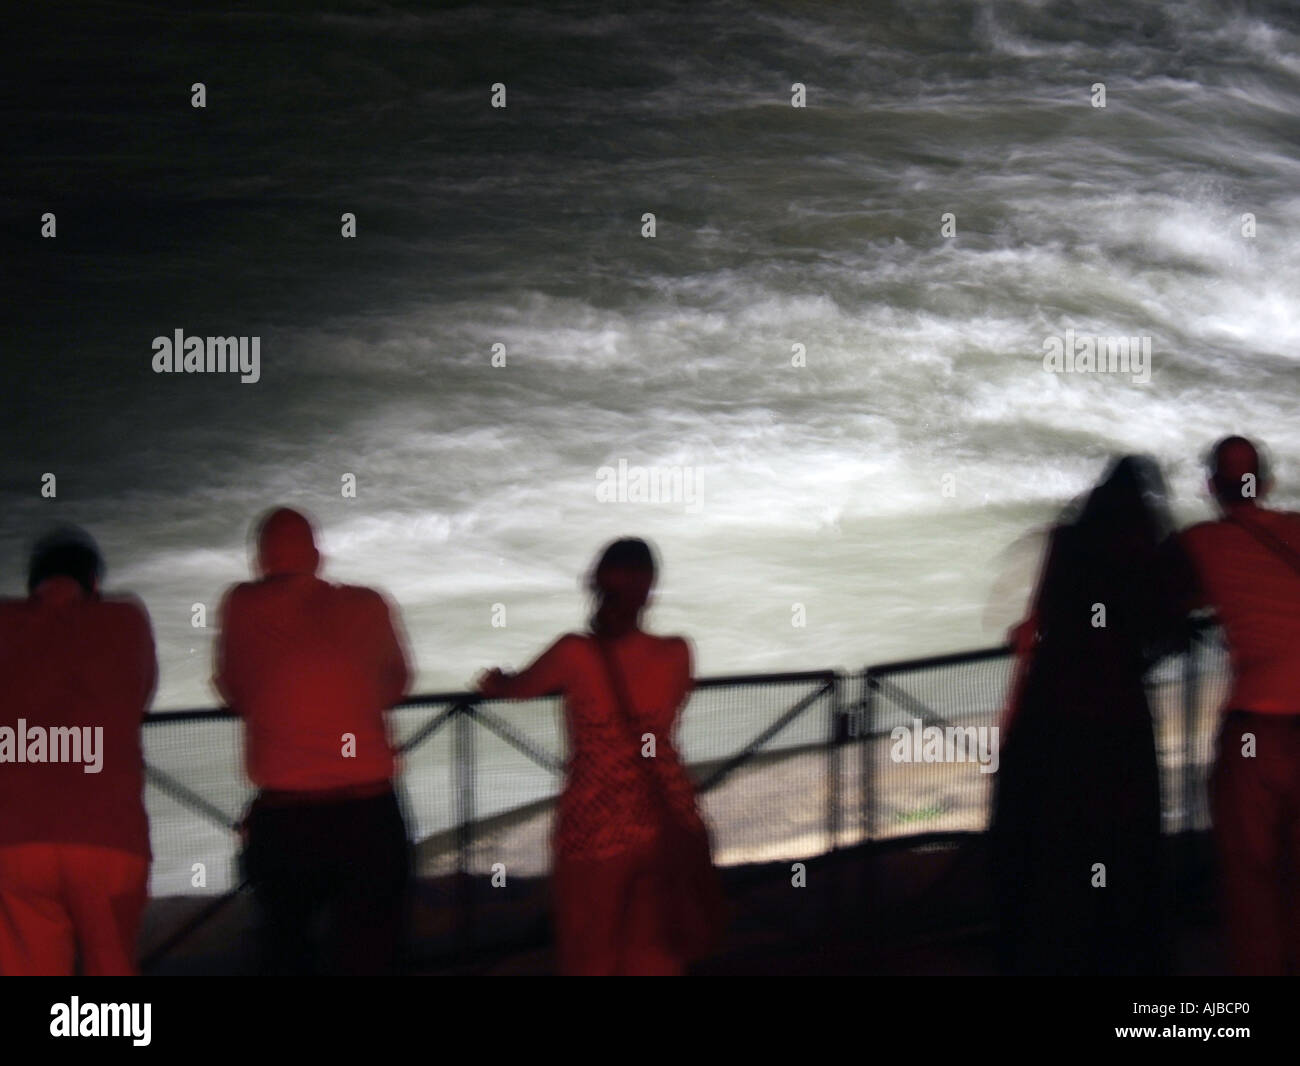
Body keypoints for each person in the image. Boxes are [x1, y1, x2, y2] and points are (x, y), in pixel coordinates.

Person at [477, 537, 719, 975]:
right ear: (650, 590)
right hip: (666, 816)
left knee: (591, 954)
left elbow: (516, 689)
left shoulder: (574, 653)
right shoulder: (678, 653)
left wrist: (496, 682)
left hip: (595, 824)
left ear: (594, 584)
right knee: (655, 957)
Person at [992, 456, 1189, 975]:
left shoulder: (1068, 543)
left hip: (1053, 719)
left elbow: (1038, 629)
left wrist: (1012, 715)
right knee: (1120, 858)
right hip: (1119, 724)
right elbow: (1165, 632)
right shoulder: (1150, 556)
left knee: (1052, 859)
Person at [214, 507, 412, 975]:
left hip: (287, 820)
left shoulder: (242, 605)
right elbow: (397, 685)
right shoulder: (369, 604)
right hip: (370, 814)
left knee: (286, 953)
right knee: (371, 955)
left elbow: (235, 690)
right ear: (318, 557)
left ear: (259, 561)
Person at [0, 527, 156, 975]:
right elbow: (138, 693)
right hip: (109, 839)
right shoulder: (126, 621)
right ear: (93, 582)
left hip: (14, 840)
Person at [1179, 436, 1300, 975]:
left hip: (1258, 728)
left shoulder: (1202, 543)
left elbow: (1162, 607)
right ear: (1268, 484)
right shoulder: (1296, 531)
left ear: (1210, 488)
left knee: (1252, 881)